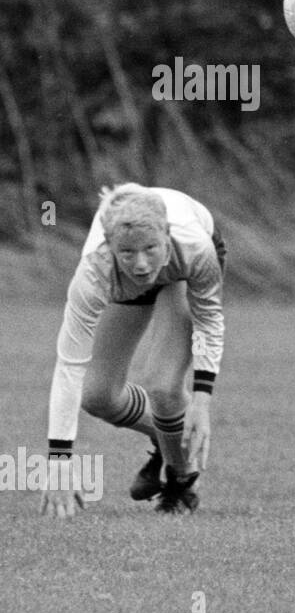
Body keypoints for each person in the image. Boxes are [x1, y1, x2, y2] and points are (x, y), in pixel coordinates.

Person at [42, 183, 224, 517]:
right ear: (110, 247)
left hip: (179, 268)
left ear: (166, 235)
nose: (141, 264)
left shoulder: (196, 249)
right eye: (127, 253)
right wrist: (58, 463)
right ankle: (168, 438)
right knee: (97, 395)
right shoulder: (95, 272)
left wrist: (201, 401)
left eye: (150, 248)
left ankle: (180, 482)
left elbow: (208, 322)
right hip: (124, 280)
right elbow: (69, 365)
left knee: (164, 387)